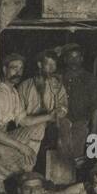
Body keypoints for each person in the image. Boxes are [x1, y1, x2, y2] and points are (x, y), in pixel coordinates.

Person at [0, 53, 52, 188]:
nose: (18, 72)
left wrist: (50, 116)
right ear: (4, 69)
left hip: (4, 139)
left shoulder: (12, 91)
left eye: (21, 69)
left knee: (39, 126)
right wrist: (23, 147)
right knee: (18, 155)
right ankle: (2, 179)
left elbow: (24, 120)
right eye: (14, 68)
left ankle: (26, 175)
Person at [18, 49, 69, 179]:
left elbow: (64, 106)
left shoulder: (57, 85)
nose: (52, 68)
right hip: (31, 127)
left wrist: (60, 110)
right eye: (48, 64)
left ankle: (53, 178)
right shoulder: (25, 85)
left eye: (54, 65)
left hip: (51, 127)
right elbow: (19, 115)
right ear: (40, 65)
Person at [59, 43, 97, 160]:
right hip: (62, 124)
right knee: (62, 160)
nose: (74, 61)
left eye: (77, 57)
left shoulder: (89, 78)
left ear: (82, 59)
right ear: (65, 59)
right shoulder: (59, 78)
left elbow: (96, 107)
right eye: (71, 57)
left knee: (86, 160)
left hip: (83, 123)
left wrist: (94, 133)